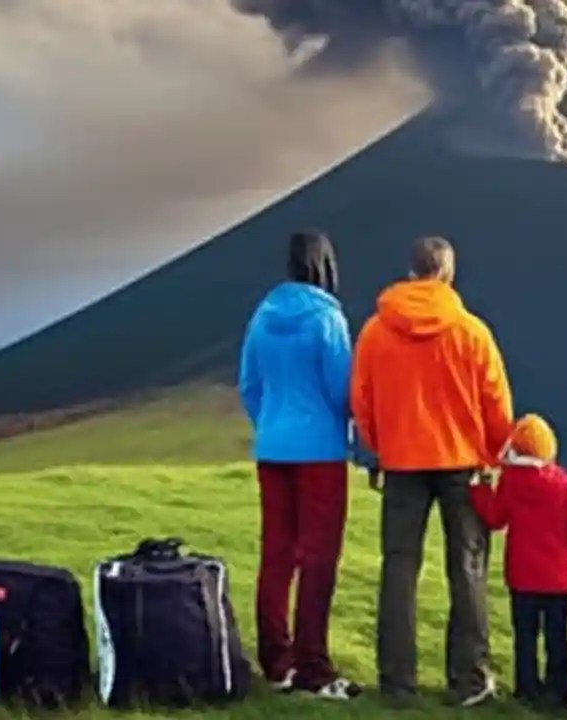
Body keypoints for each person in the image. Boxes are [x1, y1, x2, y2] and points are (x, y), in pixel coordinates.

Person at [350, 235, 514, 707]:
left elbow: (361, 399)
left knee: (399, 567)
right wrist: (491, 457)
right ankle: (469, 680)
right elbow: (497, 405)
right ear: (448, 274)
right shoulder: (471, 332)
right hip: (462, 463)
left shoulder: (376, 331)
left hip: (401, 462)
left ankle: (397, 683)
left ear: (411, 272)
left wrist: (380, 449)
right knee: (466, 568)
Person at [238, 230, 361, 700]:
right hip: (319, 453)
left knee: (277, 554)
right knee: (319, 559)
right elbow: (340, 390)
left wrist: (268, 423)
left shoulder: (262, 316)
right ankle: (315, 668)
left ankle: (276, 661)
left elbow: (249, 384)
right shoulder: (327, 319)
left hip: (273, 449)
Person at [469, 413, 567, 707]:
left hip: (522, 578)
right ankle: (556, 689)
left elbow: (495, 517)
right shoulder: (561, 483)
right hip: (557, 581)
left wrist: (479, 489)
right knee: (556, 638)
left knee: (525, 637)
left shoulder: (511, 481)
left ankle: (526, 687)